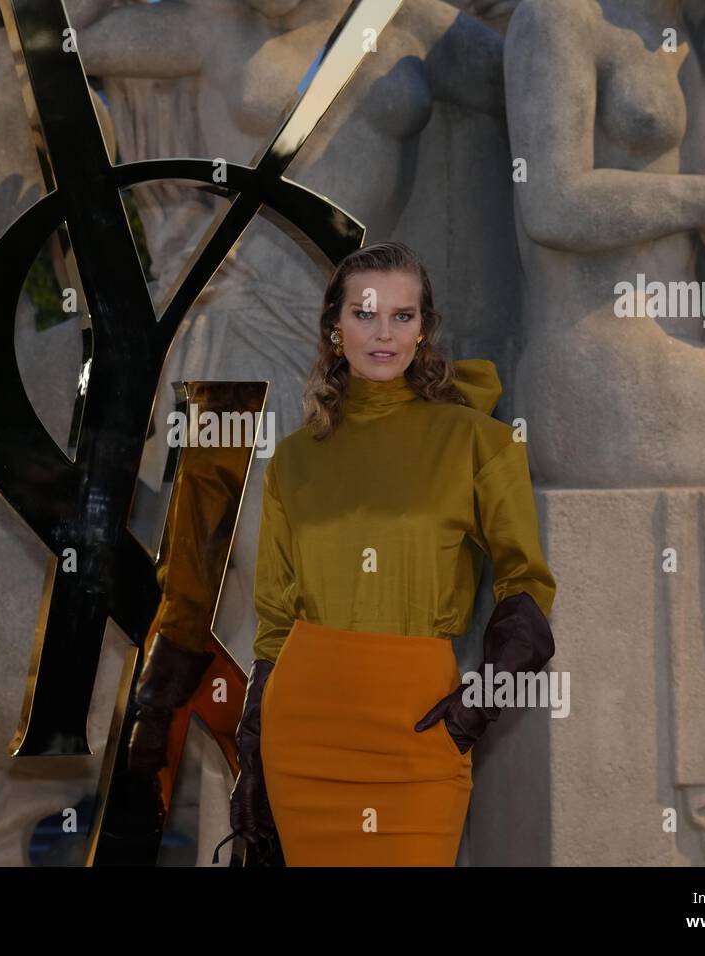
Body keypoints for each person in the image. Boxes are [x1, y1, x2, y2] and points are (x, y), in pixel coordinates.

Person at [222, 240, 557, 866]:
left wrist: (473, 710)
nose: (384, 334)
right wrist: (252, 762)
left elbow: (526, 585)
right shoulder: (294, 458)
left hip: (419, 730)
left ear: (424, 329)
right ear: (333, 327)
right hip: (305, 732)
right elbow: (273, 626)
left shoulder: (480, 442)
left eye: (403, 316)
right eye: (365, 314)